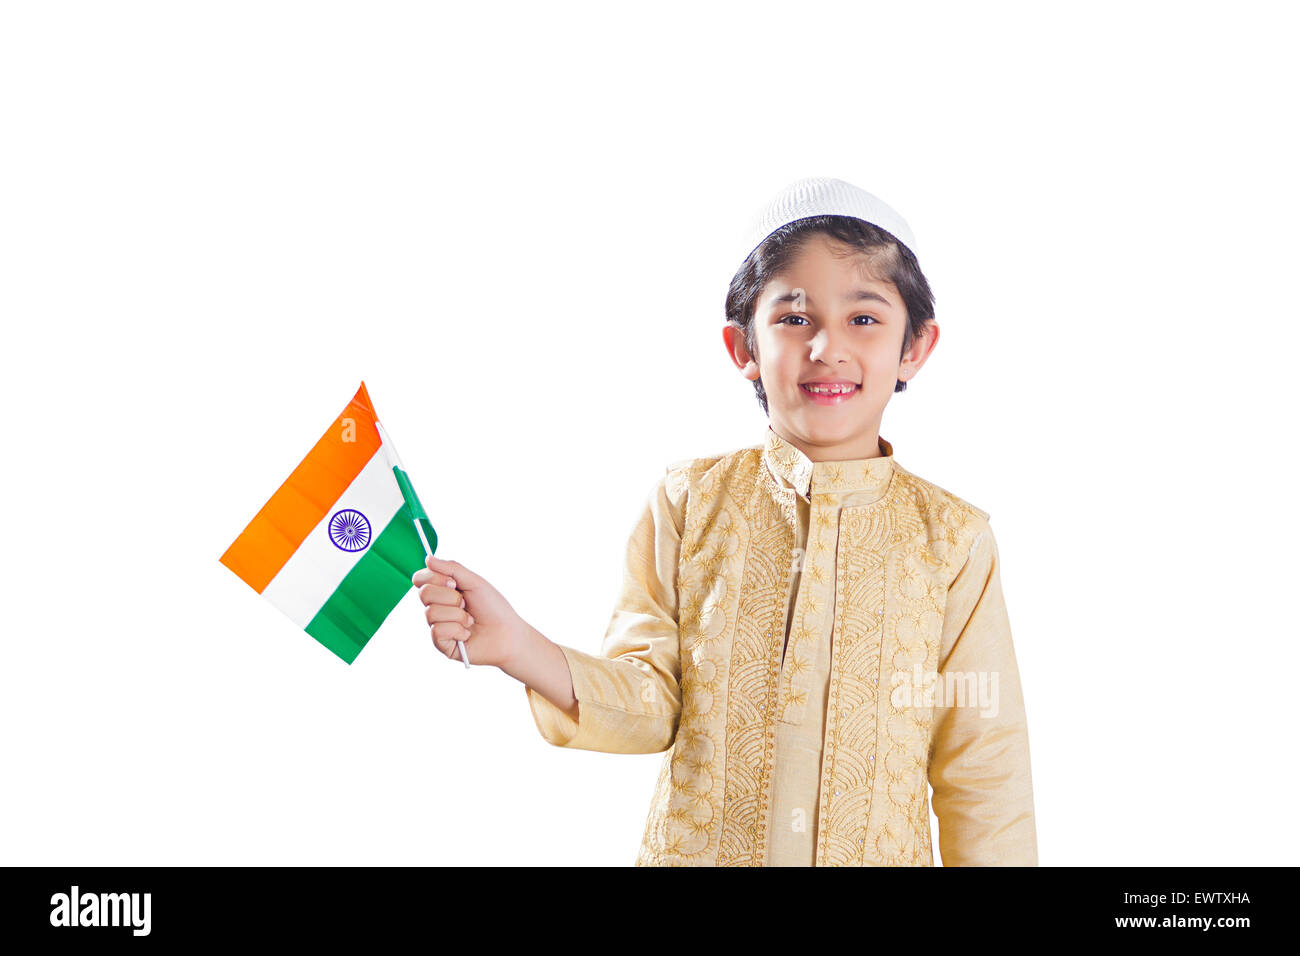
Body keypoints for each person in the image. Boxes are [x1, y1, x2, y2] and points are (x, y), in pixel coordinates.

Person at [411, 176, 1037, 866]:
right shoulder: (690, 502)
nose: (827, 347)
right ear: (743, 348)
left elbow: (984, 768)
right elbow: (653, 703)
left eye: (863, 318)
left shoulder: (951, 539)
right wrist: (519, 647)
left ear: (914, 347)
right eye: (794, 319)